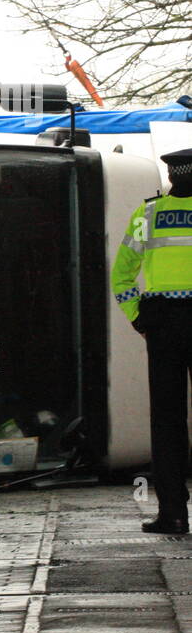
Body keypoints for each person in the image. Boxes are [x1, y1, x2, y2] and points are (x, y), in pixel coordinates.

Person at [112, 147, 192, 535]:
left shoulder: (149, 214)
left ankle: (174, 514)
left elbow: (121, 277)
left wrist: (139, 319)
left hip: (163, 324)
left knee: (168, 420)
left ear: (172, 178)